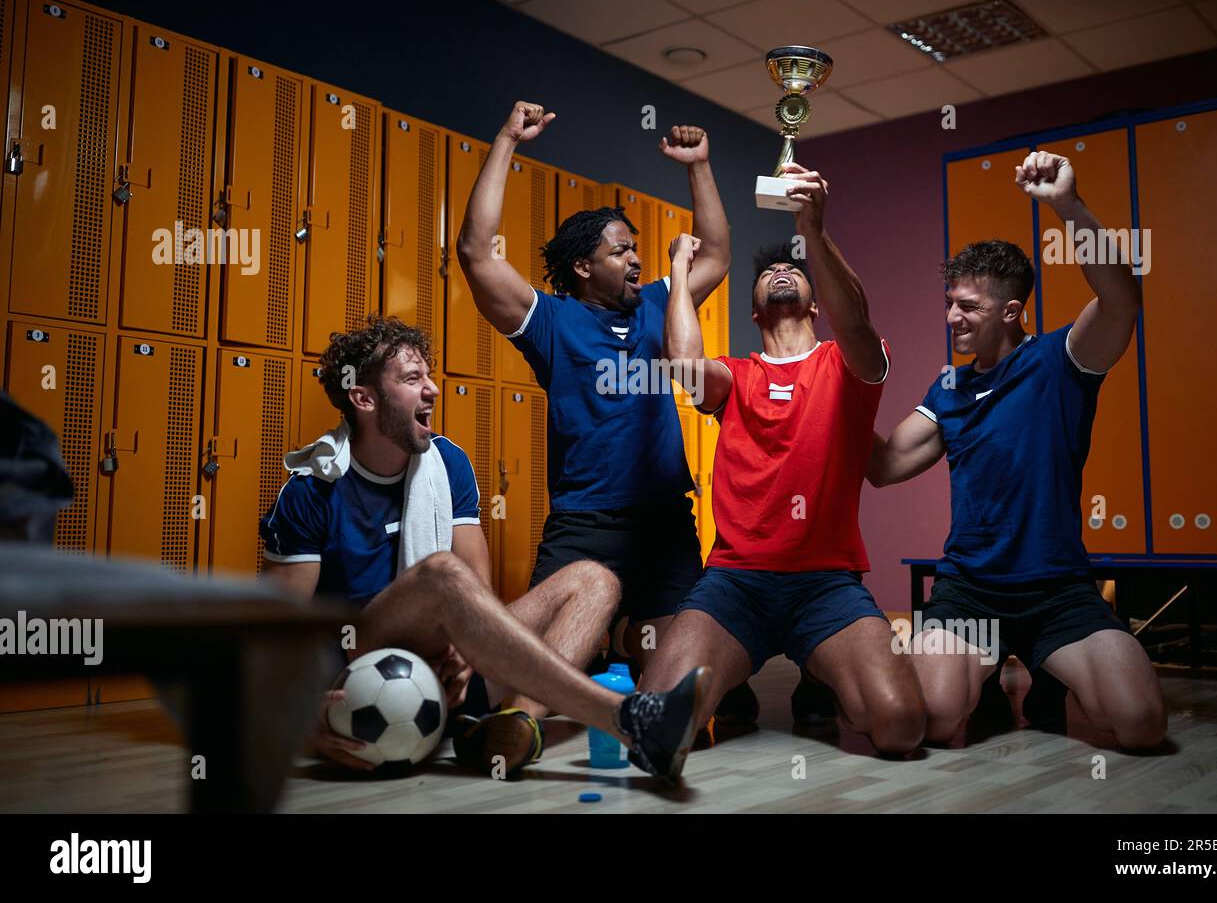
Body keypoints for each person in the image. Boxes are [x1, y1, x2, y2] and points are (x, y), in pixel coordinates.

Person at [258, 315, 711, 780]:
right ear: (364, 398)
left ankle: (515, 728)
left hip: (449, 669)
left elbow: (475, 593)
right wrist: (304, 722)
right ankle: (628, 719)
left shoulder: (447, 464)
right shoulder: (312, 490)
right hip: (362, 667)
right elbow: (271, 639)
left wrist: (463, 649)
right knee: (440, 572)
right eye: (412, 379)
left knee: (596, 580)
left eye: (429, 375)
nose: (433, 389)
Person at [868, 151, 1166, 750]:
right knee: (935, 720)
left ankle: (1046, 673)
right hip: (971, 590)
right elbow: (883, 466)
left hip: (1057, 590)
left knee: (1140, 723)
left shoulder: (1060, 361)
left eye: (968, 306)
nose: (952, 317)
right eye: (950, 302)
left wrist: (1067, 206)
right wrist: (833, 396)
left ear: (1011, 311)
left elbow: (1121, 301)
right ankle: (990, 682)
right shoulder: (949, 389)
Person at [637, 162, 927, 758]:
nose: (780, 271)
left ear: (816, 306)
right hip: (735, 582)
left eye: (793, 270)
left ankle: (819, 671)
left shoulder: (846, 365)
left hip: (826, 584)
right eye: (767, 273)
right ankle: (740, 674)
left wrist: (812, 232)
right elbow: (685, 366)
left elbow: (856, 318)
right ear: (754, 312)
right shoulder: (737, 377)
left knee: (900, 726)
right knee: (658, 721)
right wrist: (679, 270)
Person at [455, 102, 738, 694]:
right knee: (530, 675)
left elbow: (714, 254)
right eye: (620, 251)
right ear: (583, 266)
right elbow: (477, 253)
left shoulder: (659, 304)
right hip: (585, 525)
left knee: (679, 684)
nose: (637, 258)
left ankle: (629, 636)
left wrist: (699, 167)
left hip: (665, 524)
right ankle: (596, 645)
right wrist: (507, 139)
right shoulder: (550, 322)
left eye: (635, 249)